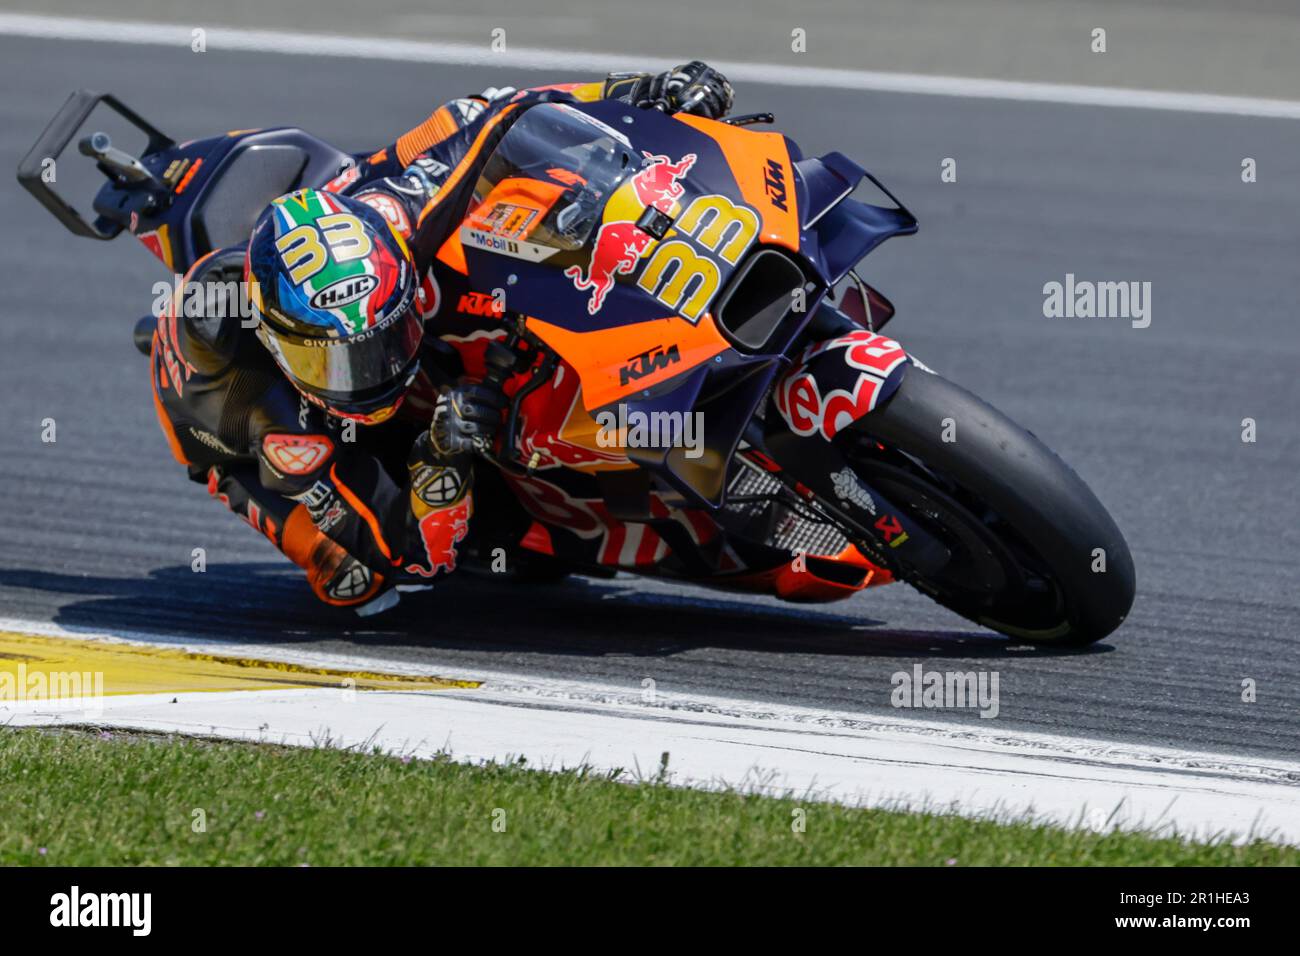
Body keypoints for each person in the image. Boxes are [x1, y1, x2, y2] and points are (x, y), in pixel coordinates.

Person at [149, 62, 734, 613]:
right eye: (340, 365)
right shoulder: (276, 422)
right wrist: (440, 453)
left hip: (349, 211)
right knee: (356, 579)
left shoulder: (404, 211)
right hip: (241, 433)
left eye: (383, 342)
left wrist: (645, 90)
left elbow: (499, 112)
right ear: (280, 346)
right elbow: (415, 551)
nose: (371, 373)